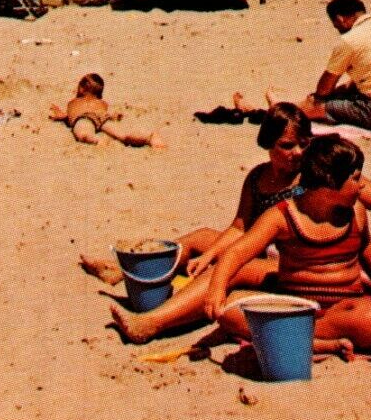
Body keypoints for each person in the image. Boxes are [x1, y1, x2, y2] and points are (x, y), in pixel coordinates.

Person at [113, 135, 371, 357]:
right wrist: (217, 290)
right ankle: (150, 323)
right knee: (228, 312)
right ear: (329, 184)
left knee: (369, 321)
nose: (363, 185)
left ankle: (301, 338)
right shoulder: (282, 216)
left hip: (343, 307)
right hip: (294, 303)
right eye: (356, 178)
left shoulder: (356, 212)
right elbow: (237, 251)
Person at [81, 103, 310, 290]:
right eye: (288, 146)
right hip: (250, 247)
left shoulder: (306, 180)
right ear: (268, 144)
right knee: (199, 238)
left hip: (280, 261)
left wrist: (219, 257)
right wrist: (209, 254)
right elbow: (238, 228)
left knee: (222, 271)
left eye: (303, 144)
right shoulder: (257, 176)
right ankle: (123, 272)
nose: (297, 153)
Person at [279, 0, 371, 132]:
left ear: (340, 19)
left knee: (315, 107)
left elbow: (324, 89)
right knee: (347, 88)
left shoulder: (349, 40)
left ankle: (271, 111)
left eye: (337, 27)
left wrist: (317, 98)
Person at [47, 73, 165, 149]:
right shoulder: (101, 103)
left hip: (84, 118)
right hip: (103, 117)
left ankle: (97, 140)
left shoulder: (74, 102)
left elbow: (67, 116)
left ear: (82, 89)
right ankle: (149, 137)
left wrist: (59, 116)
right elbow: (107, 113)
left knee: (83, 134)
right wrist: (113, 116)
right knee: (123, 135)